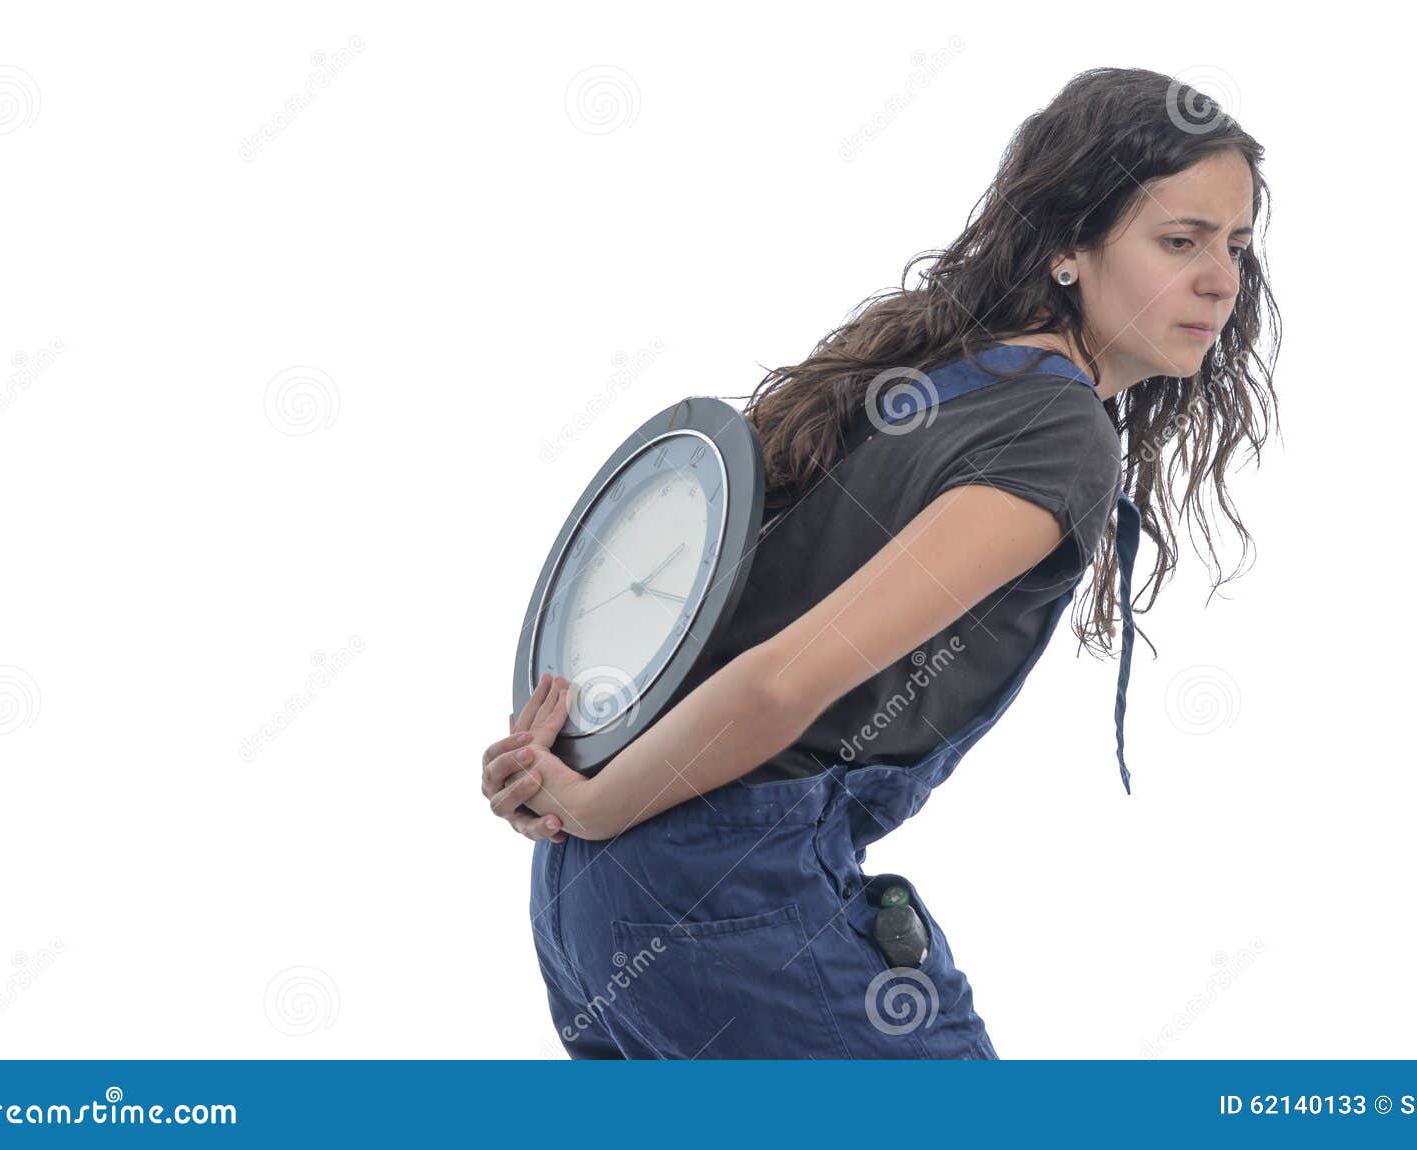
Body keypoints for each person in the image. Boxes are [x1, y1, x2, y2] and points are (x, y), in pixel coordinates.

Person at [482, 66, 1282, 1058]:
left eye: (1235, 246)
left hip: (594, 903)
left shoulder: (949, 372)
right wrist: (591, 798)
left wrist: (567, 785)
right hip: (721, 890)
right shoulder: (1059, 431)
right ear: (1071, 246)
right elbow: (782, 681)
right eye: (1179, 241)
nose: (1220, 279)